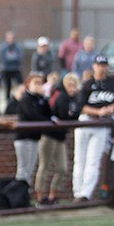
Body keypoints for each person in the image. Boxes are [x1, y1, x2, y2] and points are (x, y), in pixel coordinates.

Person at [72, 54, 114, 201]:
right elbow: (81, 107)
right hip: (86, 121)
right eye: (99, 65)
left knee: (93, 160)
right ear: (93, 66)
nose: (101, 68)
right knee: (80, 158)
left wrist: (111, 108)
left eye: (104, 65)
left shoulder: (113, 83)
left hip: (101, 124)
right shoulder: (87, 84)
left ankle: (85, 194)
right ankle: (77, 191)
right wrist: (98, 111)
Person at [39, 73, 79, 205]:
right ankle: (40, 196)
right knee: (44, 166)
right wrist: (71, 115)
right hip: (50, 136)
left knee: (62, 168)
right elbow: (63, 115)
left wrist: (71, 115)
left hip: (60, 137)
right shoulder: (61, 96)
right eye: (70, 85)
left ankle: (52, 195)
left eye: (74, 85)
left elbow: (75, 115)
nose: (72, 88)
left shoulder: (73, 99)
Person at [14, 73, 49, 192]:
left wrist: (44, 97)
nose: (39, 86)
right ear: (29, 84)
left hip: (35, 138)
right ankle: (19, 195)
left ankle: (24, 195)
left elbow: (48, 113)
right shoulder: (25, 99)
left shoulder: (40, 99)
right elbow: (34, 115)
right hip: (24, 138)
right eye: (36, 83)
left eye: (40, 83)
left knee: (30, 169)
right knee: (23, 169)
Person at [0, 31, 24, 98]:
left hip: (16, 69)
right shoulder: (3, 47)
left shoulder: (18, 47)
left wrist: (11, 59)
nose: (11, 39)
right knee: (7, 86)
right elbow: (3, 59)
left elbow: (20, 58)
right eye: (9, 38)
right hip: (6, 69)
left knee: (20, 85)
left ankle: (21, 97)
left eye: (12, 38)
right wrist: (13, 59)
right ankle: (7, 99)